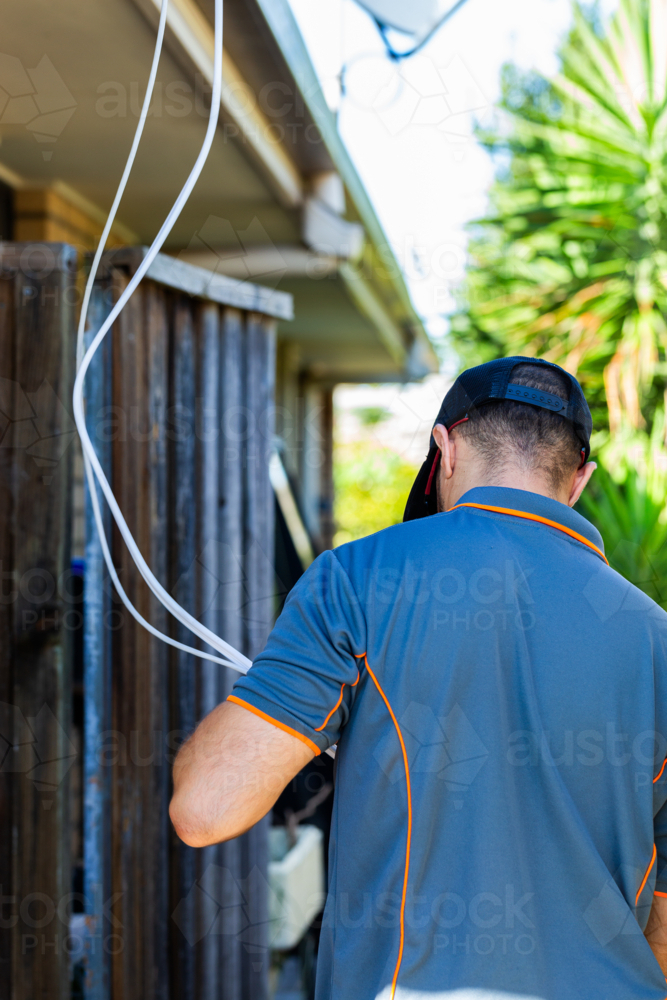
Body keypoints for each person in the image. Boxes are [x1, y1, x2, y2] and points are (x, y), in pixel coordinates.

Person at [170, 356, 667, 1000]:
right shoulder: (655, 636)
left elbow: (204, 809)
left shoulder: (357, 579)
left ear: (444, 448)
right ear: (580, 480)